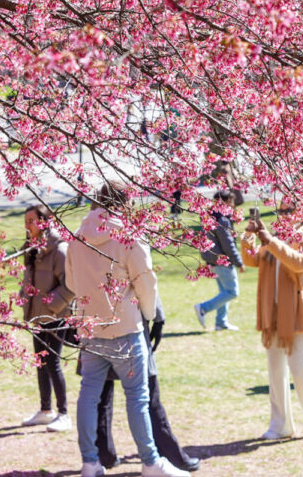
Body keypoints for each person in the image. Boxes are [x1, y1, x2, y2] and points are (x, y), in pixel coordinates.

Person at [65, 182, 188, 477]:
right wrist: (148, 314)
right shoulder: (129, 236)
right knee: (137, 397)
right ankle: (150, 461)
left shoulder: (78, 236)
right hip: (125, 327)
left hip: (91, 327)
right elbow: (146, 281)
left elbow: (71, 282)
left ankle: (90, 461)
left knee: (89, 395)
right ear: (125, 204)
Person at [240, 205, 303, 439]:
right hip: (272, 311)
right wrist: (249, 235)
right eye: (281, 209)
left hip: (298, 311)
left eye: (289, 209)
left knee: (299, 366)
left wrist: (271, 241)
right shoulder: (274, 233)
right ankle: (280, 425)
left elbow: (301, 262)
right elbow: (252, 260)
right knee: (275, 369)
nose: (284, 214)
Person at [94, 295, 201, 472]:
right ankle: (168, 454)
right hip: (125, 322)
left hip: (98, 320)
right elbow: (145, 282)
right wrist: (158, 317)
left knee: (101, 395)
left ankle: (102, 454)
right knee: (144, 394)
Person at [19, 205, 74, 432]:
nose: (27, 225)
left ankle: (64, 414)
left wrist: (52, 305)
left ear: (44, 222)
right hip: (37, 315)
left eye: (31, 220)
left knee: (52, 362)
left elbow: (70, 285)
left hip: (55, 315)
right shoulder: (32, 249)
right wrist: (24, 297)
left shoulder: (59, 249)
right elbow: (29, 279)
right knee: (40, 362)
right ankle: (45, 410)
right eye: (26, 220)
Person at [193, 190, 244, 331]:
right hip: (222, 261)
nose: (233, 205)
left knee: (224, 292)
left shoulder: (209, 217)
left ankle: (221, 322)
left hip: (212, 260)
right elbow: (228, 244)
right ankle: (203, 308)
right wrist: (239, 262)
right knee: (232, 292)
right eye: (231, 202)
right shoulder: (222, 219)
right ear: (225, 202)